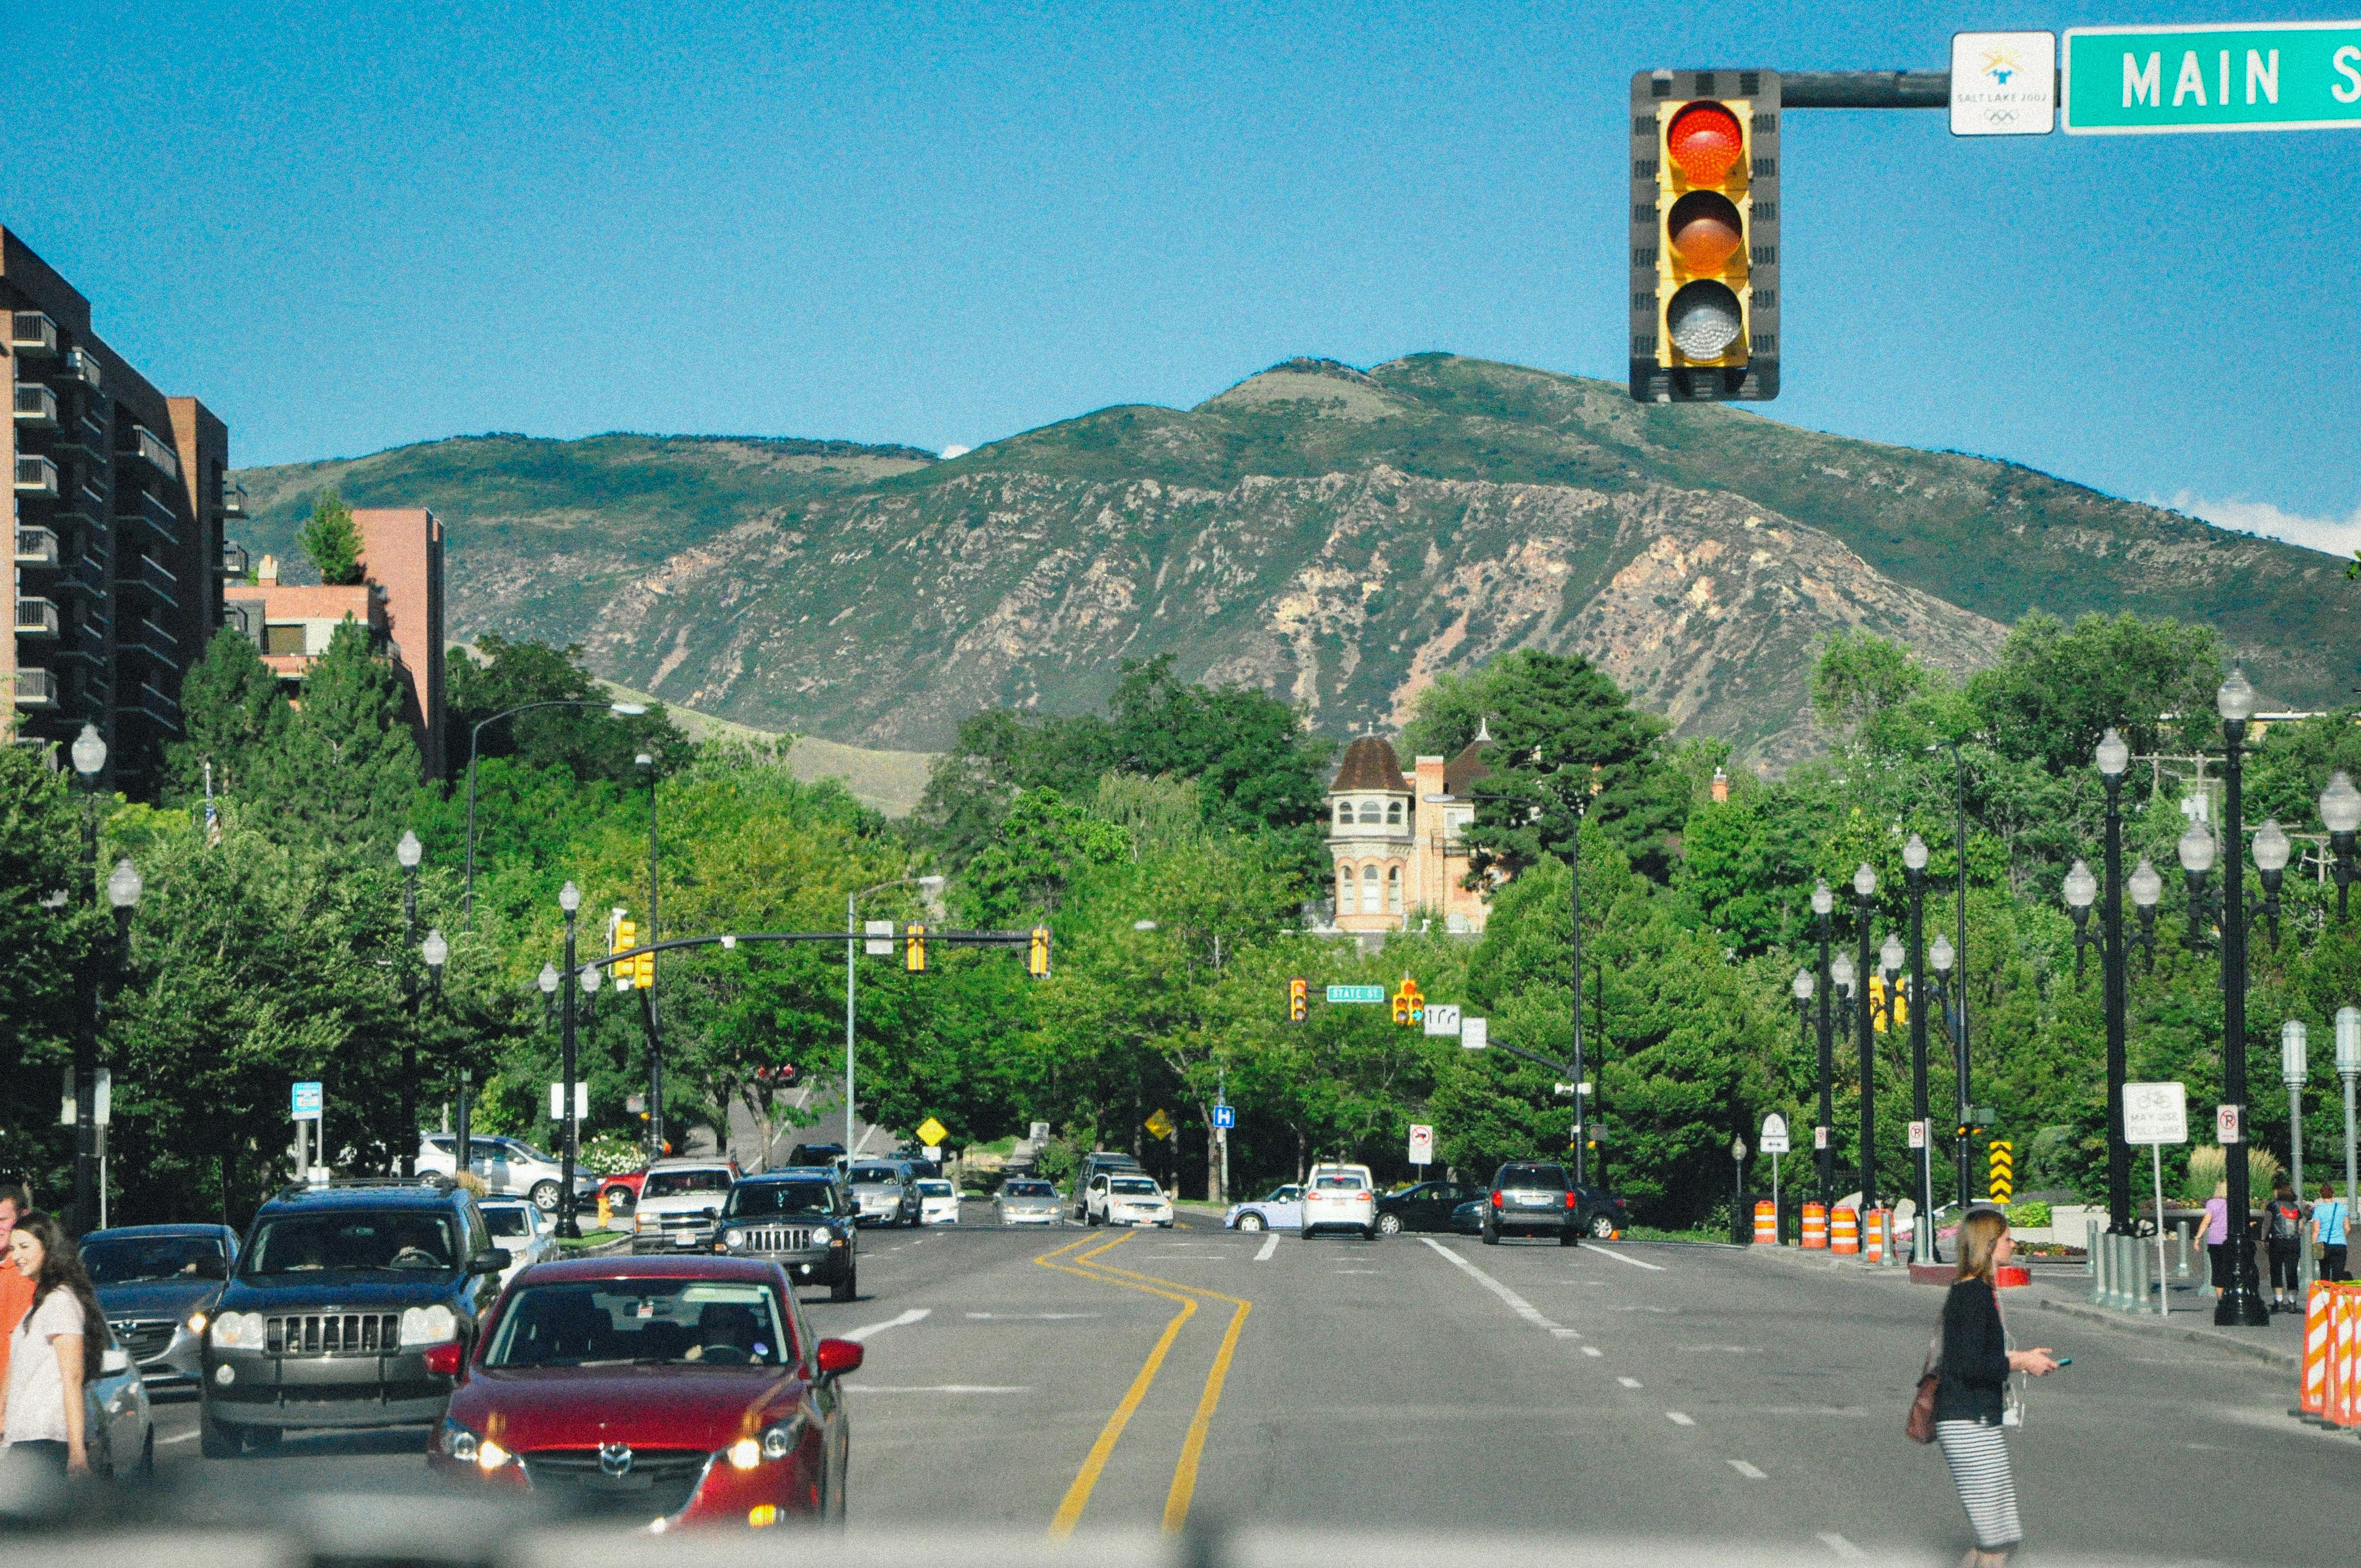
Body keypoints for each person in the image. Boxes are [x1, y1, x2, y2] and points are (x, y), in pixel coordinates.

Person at [1934, 1207, 2061, 1567]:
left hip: (1974, 1420)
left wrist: (2023, 1357)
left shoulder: (1974, 1291)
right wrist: (2022, 1362)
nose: (2013, 1244)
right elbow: (1971, 1365)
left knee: (1997, 1538)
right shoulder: (1973, 1295)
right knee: (1998, 1540)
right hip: (1967, 1421)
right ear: (1989, 1246)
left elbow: (1973, 1355)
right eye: (2007, 1239)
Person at [0, 1210, 102, 1473]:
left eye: (25, 1247)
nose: (17, 1256)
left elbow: (73, 1377)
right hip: (28, 1436)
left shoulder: (60, 1302)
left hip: (50, 1437)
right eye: (13, 1248)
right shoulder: (40, 1303)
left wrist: (77, 1451)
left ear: (48, 1248)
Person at [0, 1184, 33, 1396]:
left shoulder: (26, 1273)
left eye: (2, 1221)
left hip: (14, 1401)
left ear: (23, 1218)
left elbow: (19, 1348)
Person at [2263, 1179, 2304, 1311]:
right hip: (2294, 1243)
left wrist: (2264, 1240)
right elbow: (2300, 1227)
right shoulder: (2295, 1208)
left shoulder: (2273, 1206)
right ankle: (2292, 1303)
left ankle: (2279, 1301)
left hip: (2277, 1242)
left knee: (2276, 1271)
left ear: (2278, 1191)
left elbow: (2267, 1224)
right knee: (2292, 1272)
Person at [2201, 1180, 2231, 1292]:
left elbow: (2206, 1221)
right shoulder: (2232, 1203)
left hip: (2215, 1240)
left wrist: (2198, 1237)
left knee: (2217, 1271)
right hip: (2229, 1239)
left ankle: (2221, 1300)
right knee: (2231, 1269)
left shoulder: (2212, 1203)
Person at [2316, 1183, 2350, 1284]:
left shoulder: (2318, 1210)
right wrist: (2342, 1238)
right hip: (2340, 1244)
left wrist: (2315, 1246)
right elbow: (2348, 1228)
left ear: (2321, 1195)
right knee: (2339, 1275)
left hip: (2323, 1244)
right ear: (2333, 1194)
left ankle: (2326, 1298)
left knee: (2324, 1274)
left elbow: (2316, 1231)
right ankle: (2337, 1298)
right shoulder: (2342, 1208)